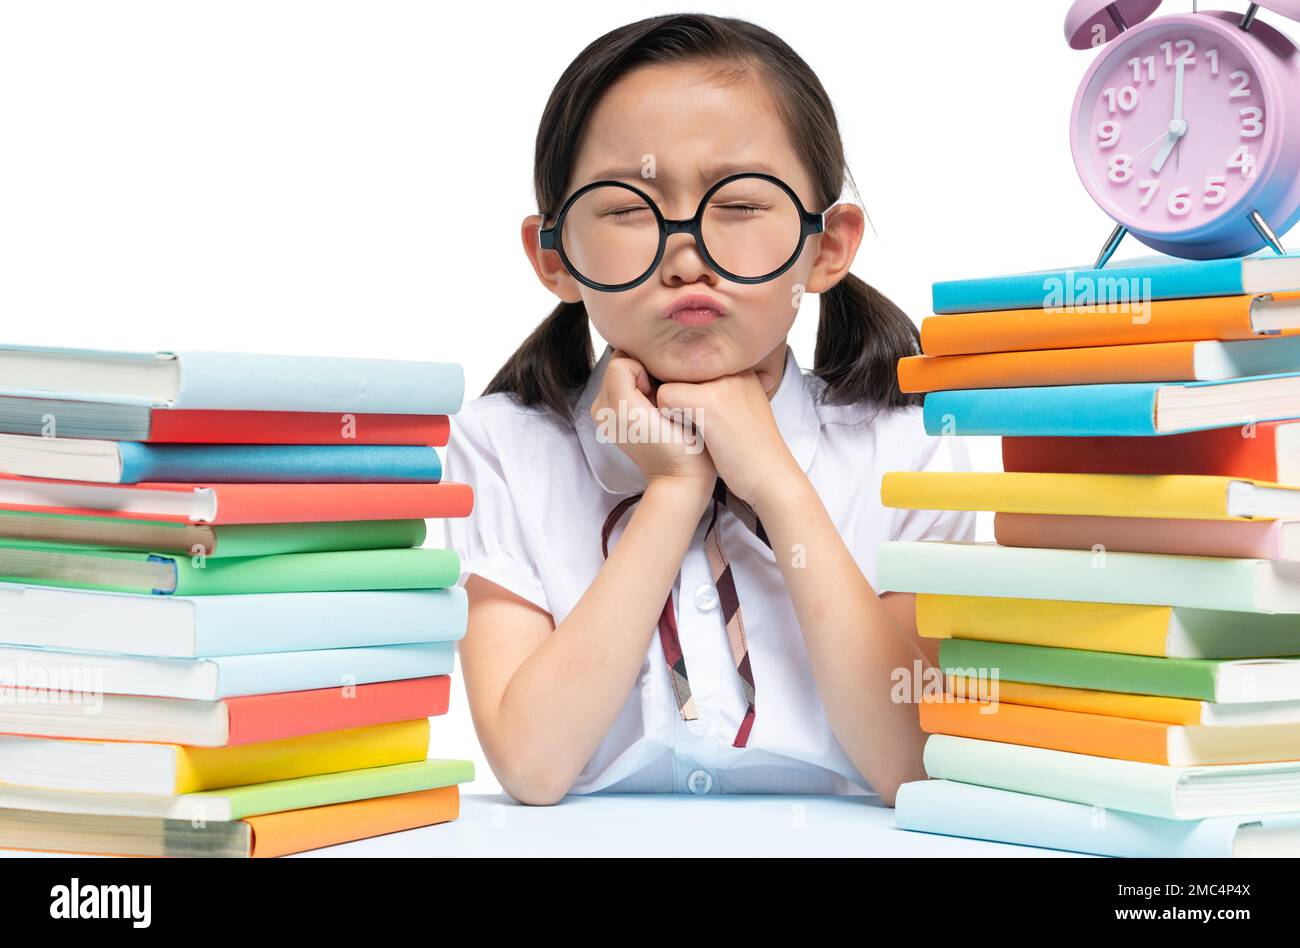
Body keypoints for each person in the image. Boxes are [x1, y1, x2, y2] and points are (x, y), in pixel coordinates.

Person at [443, 13, 974, 806]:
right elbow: (531, 763)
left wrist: (778, 485)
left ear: (827, 246)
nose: (686, 253)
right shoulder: (500, 449)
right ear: (555, 256)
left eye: (742, 205)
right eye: (628, 209)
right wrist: (673, 490)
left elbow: (914, 763)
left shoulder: (907, 447)